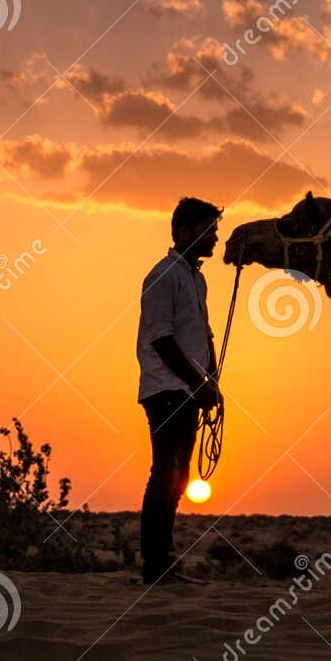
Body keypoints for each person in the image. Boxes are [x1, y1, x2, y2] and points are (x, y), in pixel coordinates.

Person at [137, 196, 223, 585]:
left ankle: (163, 561)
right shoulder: (162, 276)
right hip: (166, 388)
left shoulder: (196, 279)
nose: (215, 238)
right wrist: (197, 383)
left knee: (180, 475)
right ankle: (155, 564)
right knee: (165, 471)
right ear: (185, 231)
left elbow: (201, 333)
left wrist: (211, 378)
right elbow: (161, 339)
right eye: (208, 230)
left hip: (188, 389)